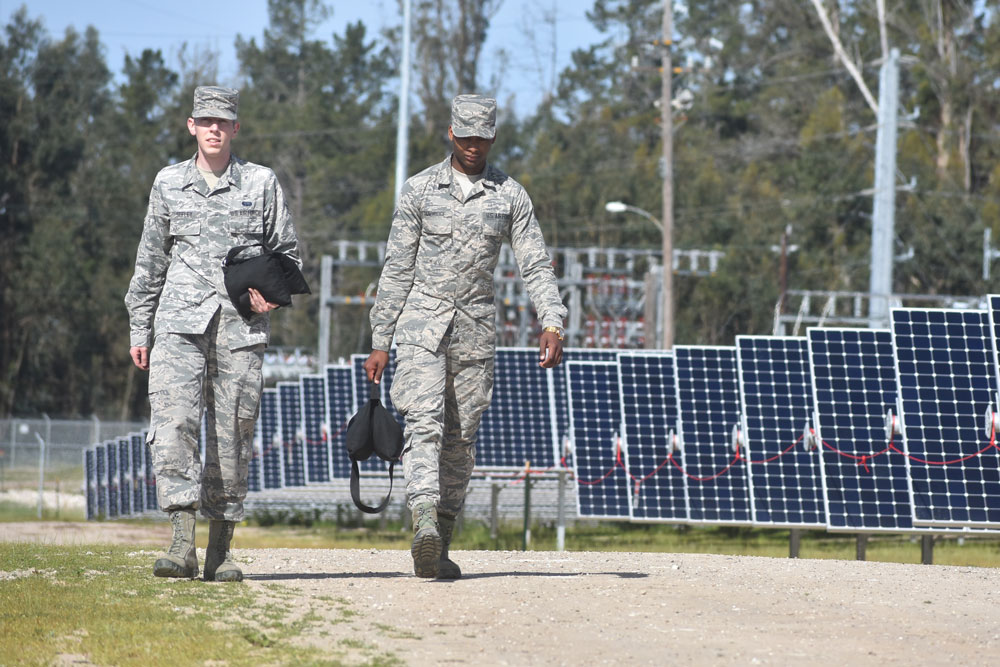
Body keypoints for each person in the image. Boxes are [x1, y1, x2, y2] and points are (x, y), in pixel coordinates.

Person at [363, 94, 567, 579]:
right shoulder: (418, 190)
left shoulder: (510, 196)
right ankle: (425, 523)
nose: (474, 146)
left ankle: (441, 543)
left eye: (483, 138)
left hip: (474, 330)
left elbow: (534, 261)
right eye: (466, 137)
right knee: (424, 424)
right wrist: (381, 338)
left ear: (493, 138)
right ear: (451, 135)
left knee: (460, 438)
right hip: (420, 324)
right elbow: (396, 268)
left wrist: (552, 320)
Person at [125, 86, 301, 582]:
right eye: (206, 121)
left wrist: (273, 293)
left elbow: (289, 255)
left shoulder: (261, 183)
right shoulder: (168, 183)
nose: (215, 129)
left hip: (240, 327)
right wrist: (140, 325)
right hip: (178, 326)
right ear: (191, 126)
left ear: (236, 128)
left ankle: (221, 550)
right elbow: (150, 261)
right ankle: (181, 544)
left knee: (233, 433)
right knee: (175, 424)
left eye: (223, 122)